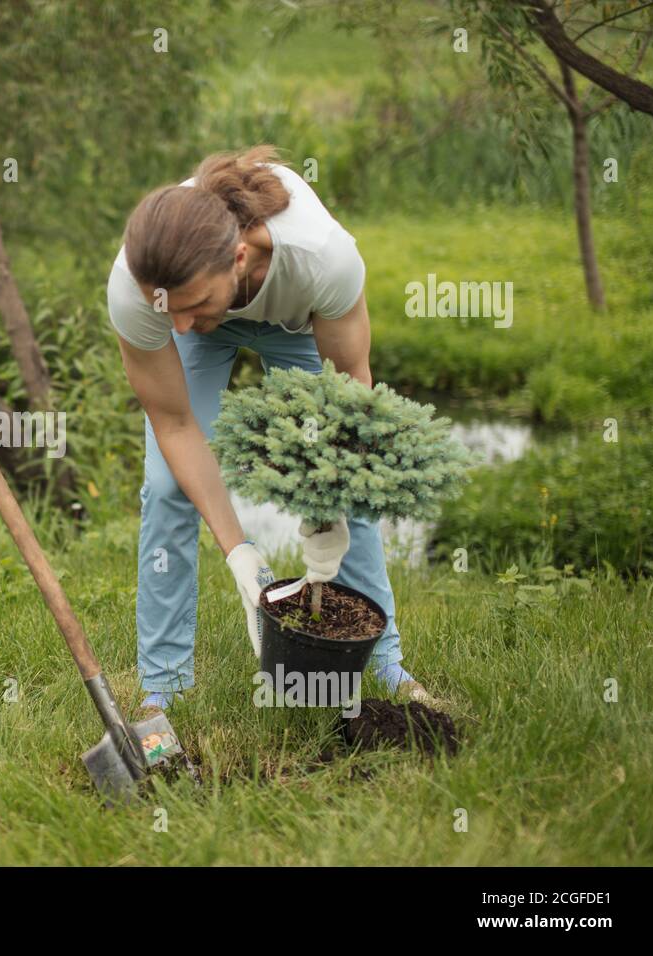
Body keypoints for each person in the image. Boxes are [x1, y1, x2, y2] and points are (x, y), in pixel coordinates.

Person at [106, 145, 439, 715]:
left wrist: (331, 490)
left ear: (238, 257)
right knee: (165, 488)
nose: (177, 325)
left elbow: (351, 394)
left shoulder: (322, 259)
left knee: (344, 480)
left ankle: (383, 660)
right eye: (167, 310)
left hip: (296, 319)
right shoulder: (144, 295)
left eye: (189, 305)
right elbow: (176, 422)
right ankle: (163, 684)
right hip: (217, 311)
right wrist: (239, 552)